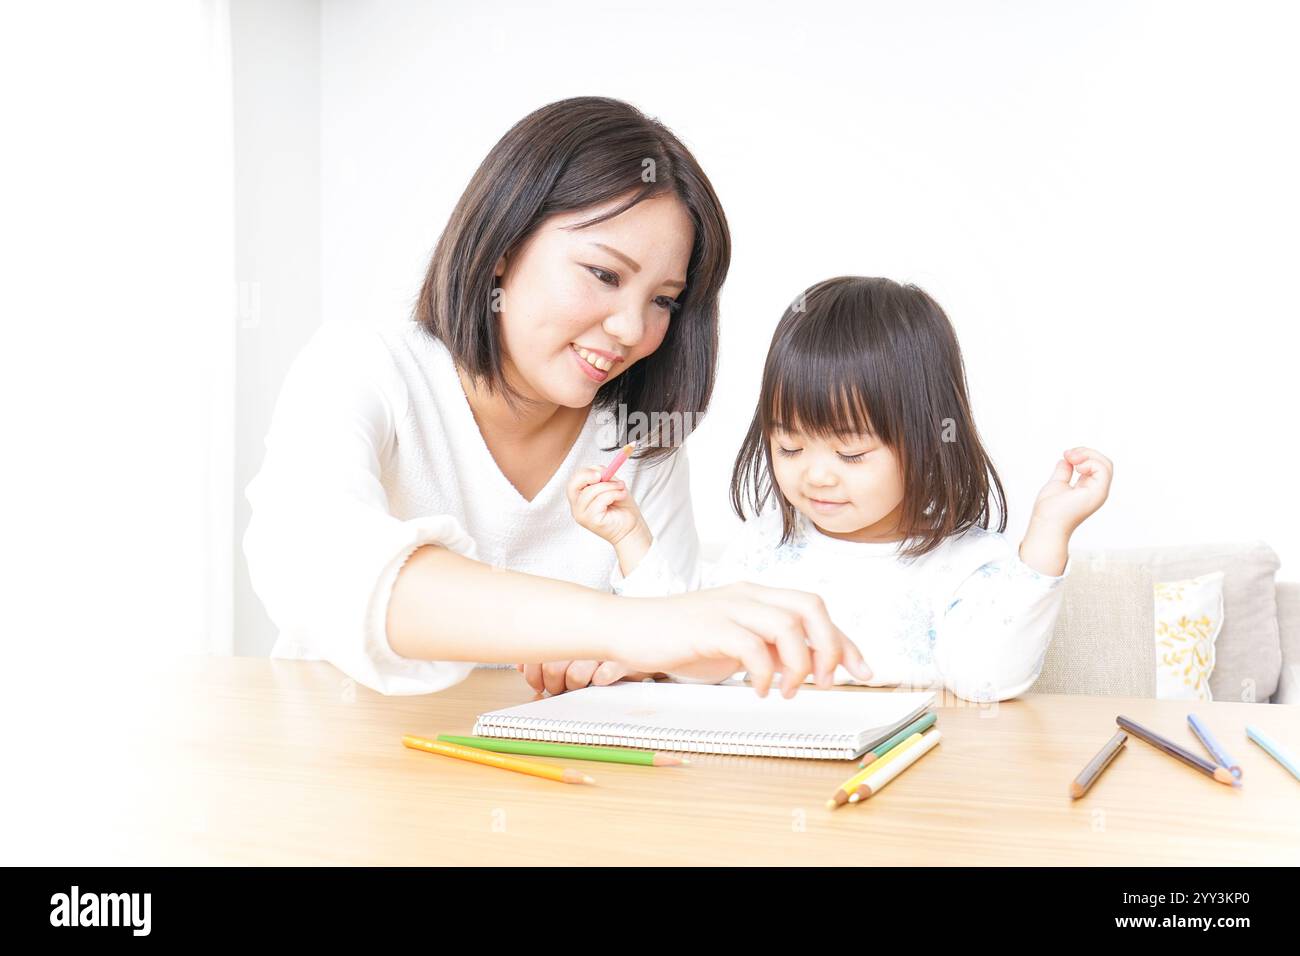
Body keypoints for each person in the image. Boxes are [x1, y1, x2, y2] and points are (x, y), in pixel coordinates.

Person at [243, 97, 872, 699]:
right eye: (604, 274)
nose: (632, 329)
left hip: (549, 785)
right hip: (340, 770)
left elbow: (676, 654)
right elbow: (314, 563)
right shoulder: (366, 368)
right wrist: (626, 627)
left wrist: (642, 658)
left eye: (663, 300)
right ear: (502, 248)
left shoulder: (637, 442)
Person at [568, 276, 1113, 702]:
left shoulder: (969, 563)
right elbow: (697, 661)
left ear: (927, 439)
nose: (816, 475)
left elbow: (987, 681)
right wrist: (631, 539)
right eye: (789, 448)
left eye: (851, 454)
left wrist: (1048, 533)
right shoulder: (767, 549)